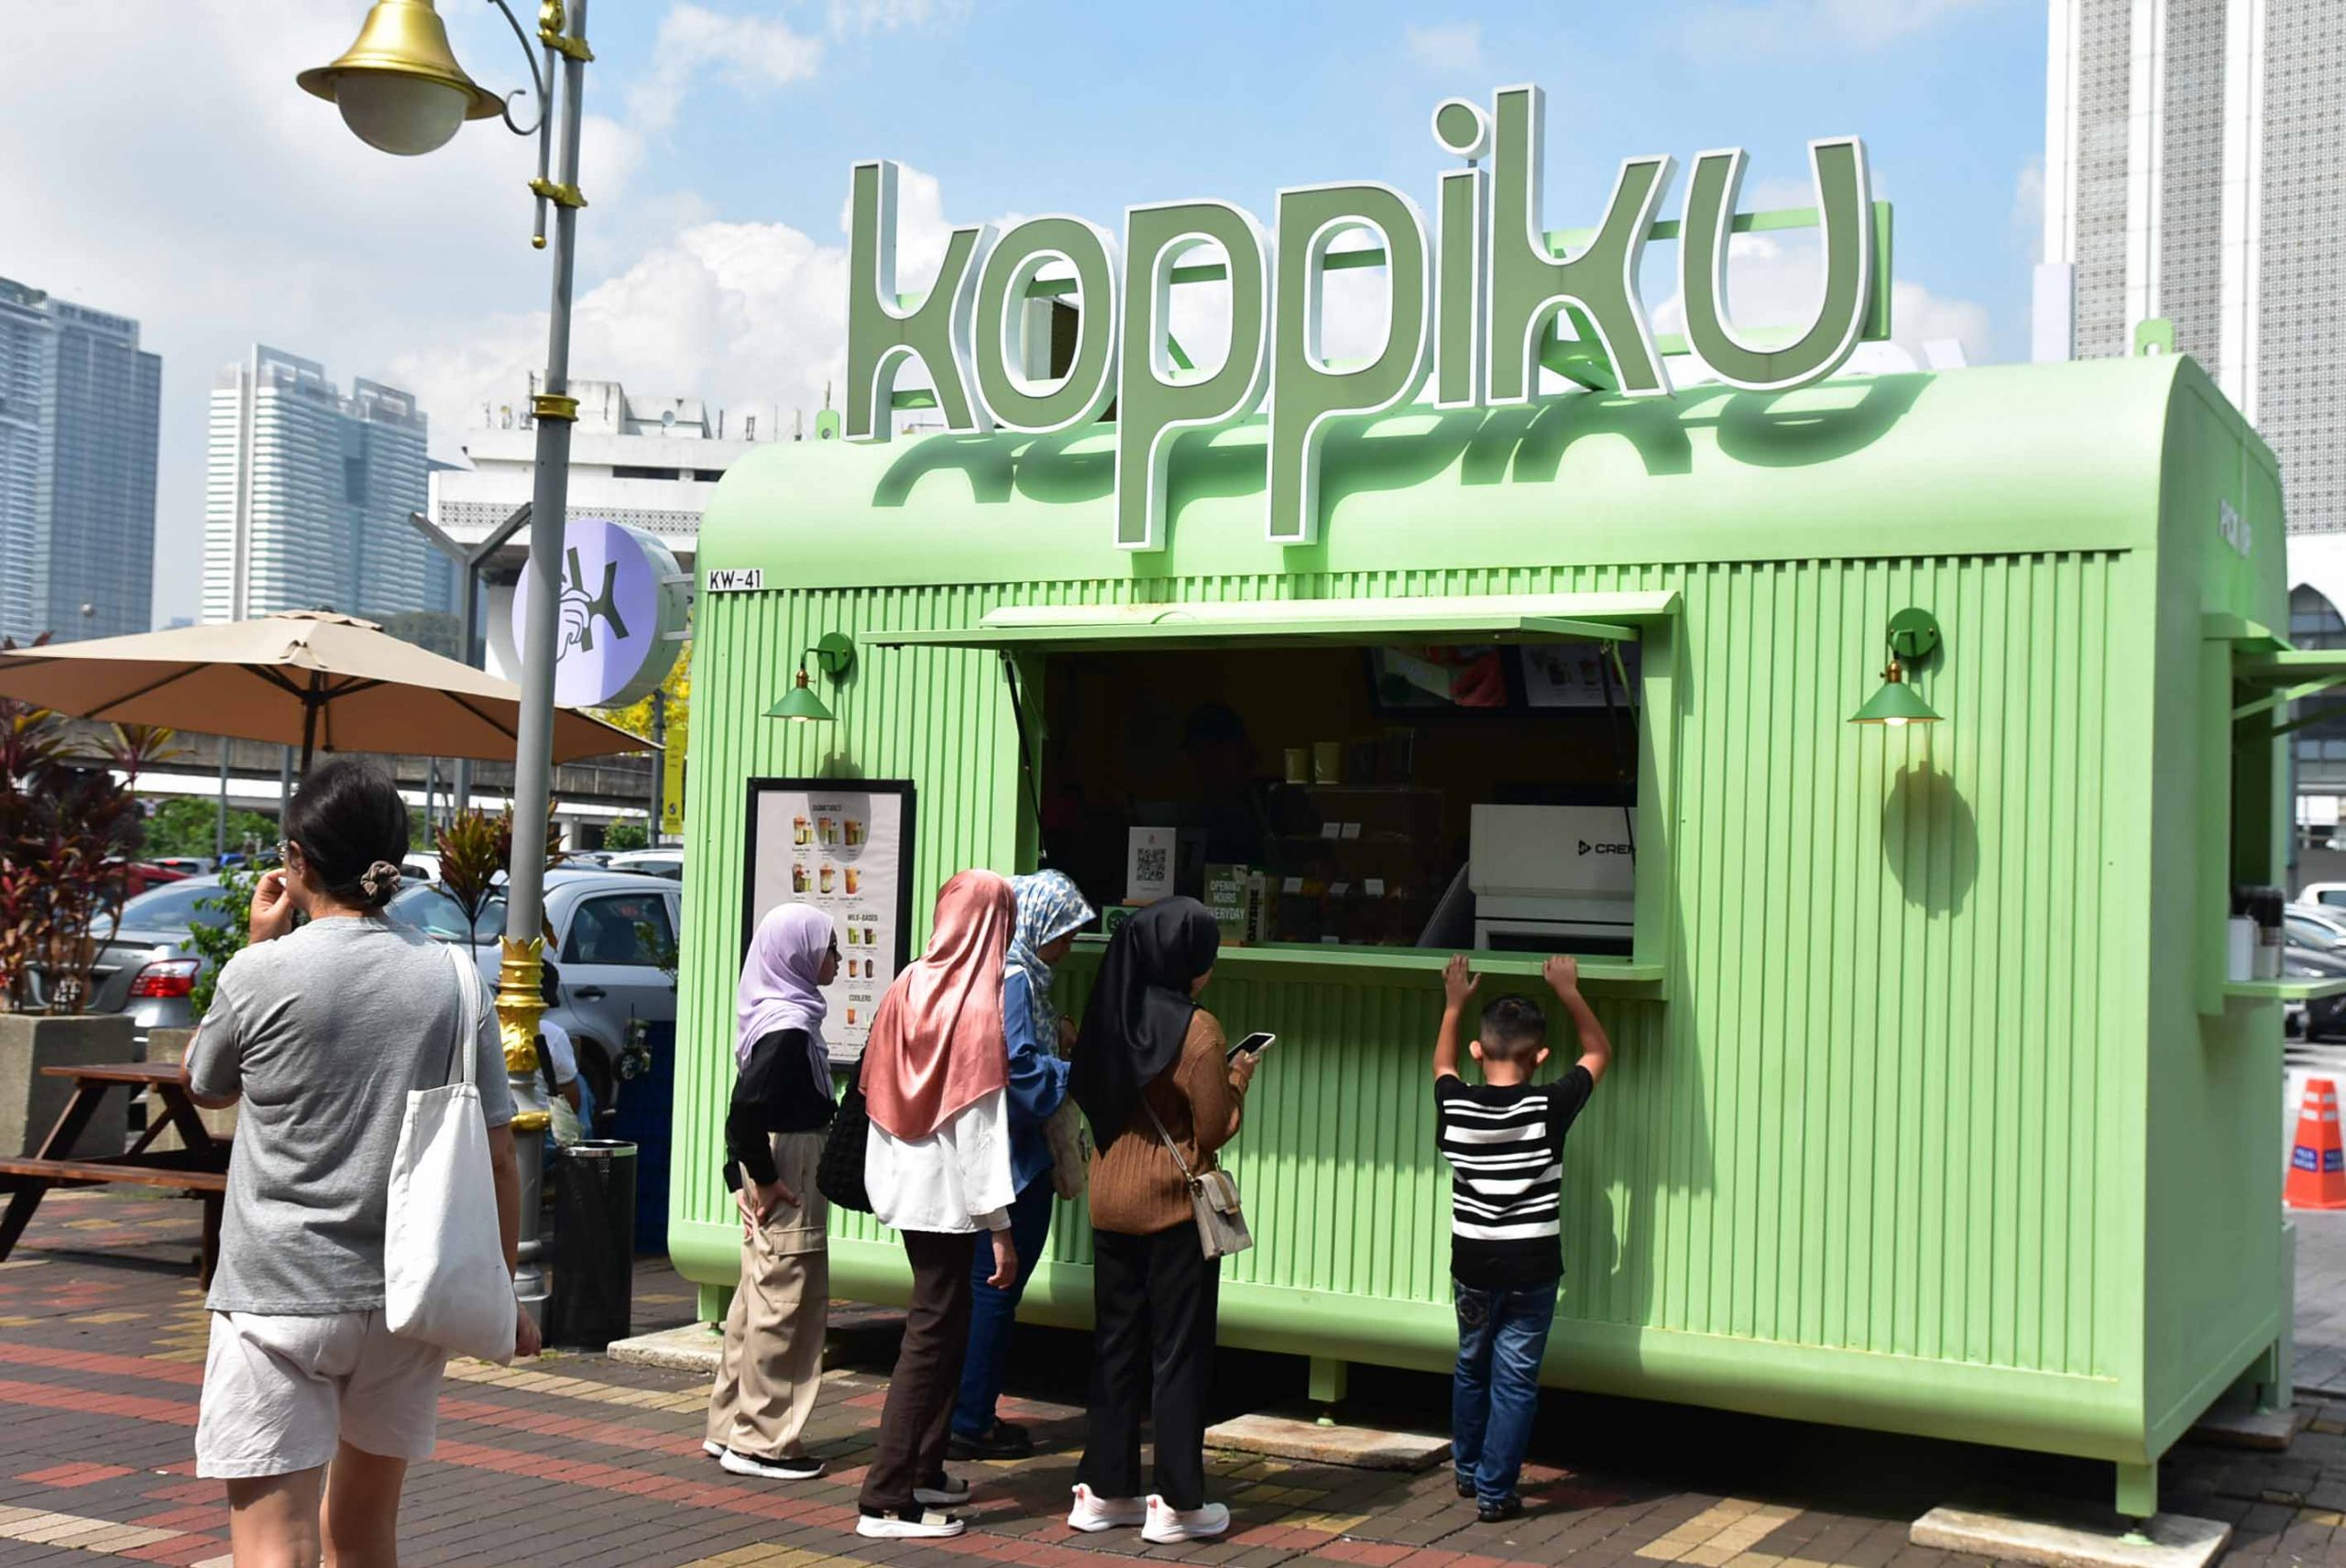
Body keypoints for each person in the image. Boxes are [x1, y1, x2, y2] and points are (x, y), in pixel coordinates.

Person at [181, 757, 535, 1568]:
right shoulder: (455, 979)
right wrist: (503, 1290)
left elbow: (204, 1084)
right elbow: (499, 1155)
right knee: (367, 1534)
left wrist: (257, 944)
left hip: (276, 1294)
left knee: (277, 1543)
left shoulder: (260, 972)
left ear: (297, 860)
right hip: (406, 1300)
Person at [1066, 896, 1257, 1544]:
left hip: (1110, 1200)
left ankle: (1104, 1489)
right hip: (1172, 1206)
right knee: (1178, 1353)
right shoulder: (1198, 1030)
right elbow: (1210, 1130)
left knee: (1115, 1347)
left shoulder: (1107, 1009)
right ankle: (1175, 1502)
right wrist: (1238, 1080)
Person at [856, 871, 1022, 1540]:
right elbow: (979, 1133)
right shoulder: (979, 1003)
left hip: (904, 1183)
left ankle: (923, 1470)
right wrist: (1002, 1228)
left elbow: (872, 1084)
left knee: (943, 1326)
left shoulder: (906, 982)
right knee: (929, 1337)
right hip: (951, 1195)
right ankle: (886, 1497)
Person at [1433, 953, 1615, 1524]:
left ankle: (1466, 1470)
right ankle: (1495, 1490)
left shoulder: (1455, 1103)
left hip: (1474, 1260)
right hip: (1533, 1263)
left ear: (1477, 1052)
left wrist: (1454, 1004)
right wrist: (1568, 990)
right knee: (1515, 1378)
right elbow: (1598, 1052)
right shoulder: (1549, 1105)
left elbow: (1440, 1063)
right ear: (1541, 1057)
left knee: (1471, 1363)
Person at [948, 870, 1093, 1460]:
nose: (1068, 944)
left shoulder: (1013, 974)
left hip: (1005, 1153)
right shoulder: (1015, 980)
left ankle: (966, 1412)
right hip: (1014, 1157)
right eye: (1062, 932)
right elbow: (1022, 1073)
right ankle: (970, 1418)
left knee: (987, 1288)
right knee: (996, 1289)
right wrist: (1078, 1071)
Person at [705, 903, 841, 1482]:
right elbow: (747, 1109)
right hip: (791, 1165)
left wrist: (741, 1173)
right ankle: (763, 1441)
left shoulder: (773, 1013)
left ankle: (729, 1426)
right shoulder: (788, 1026)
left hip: (777, 1162)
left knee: (756, 1300)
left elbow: (741, 1109)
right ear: (799, 954)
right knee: (787, 1302)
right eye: (829, 948)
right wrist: (760, 1176)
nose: (838, 958)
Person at [535, 960, 586, 1146]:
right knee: (580, 1084)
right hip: (542, 1135)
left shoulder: (482, 1028)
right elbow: (572, 1100)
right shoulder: (552, 1034)